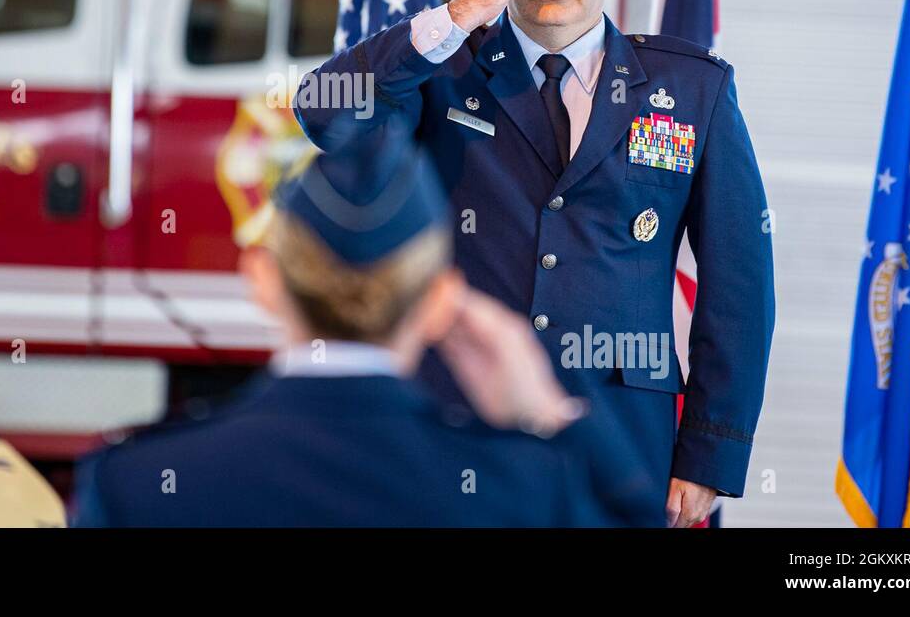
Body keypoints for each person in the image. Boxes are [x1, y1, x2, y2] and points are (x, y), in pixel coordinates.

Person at [295, 0, 775, 527]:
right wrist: (455, 17)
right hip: (459, 427)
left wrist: (708, 456)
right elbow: (324, 112)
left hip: (623, 437)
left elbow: (739, 285)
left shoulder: (690, 89)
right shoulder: (440, 72)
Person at [71, 127, 660, 527]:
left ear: (264, 280)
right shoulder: (519, 489)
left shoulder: (139, 485)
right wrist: (547, 417)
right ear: (441, 303)